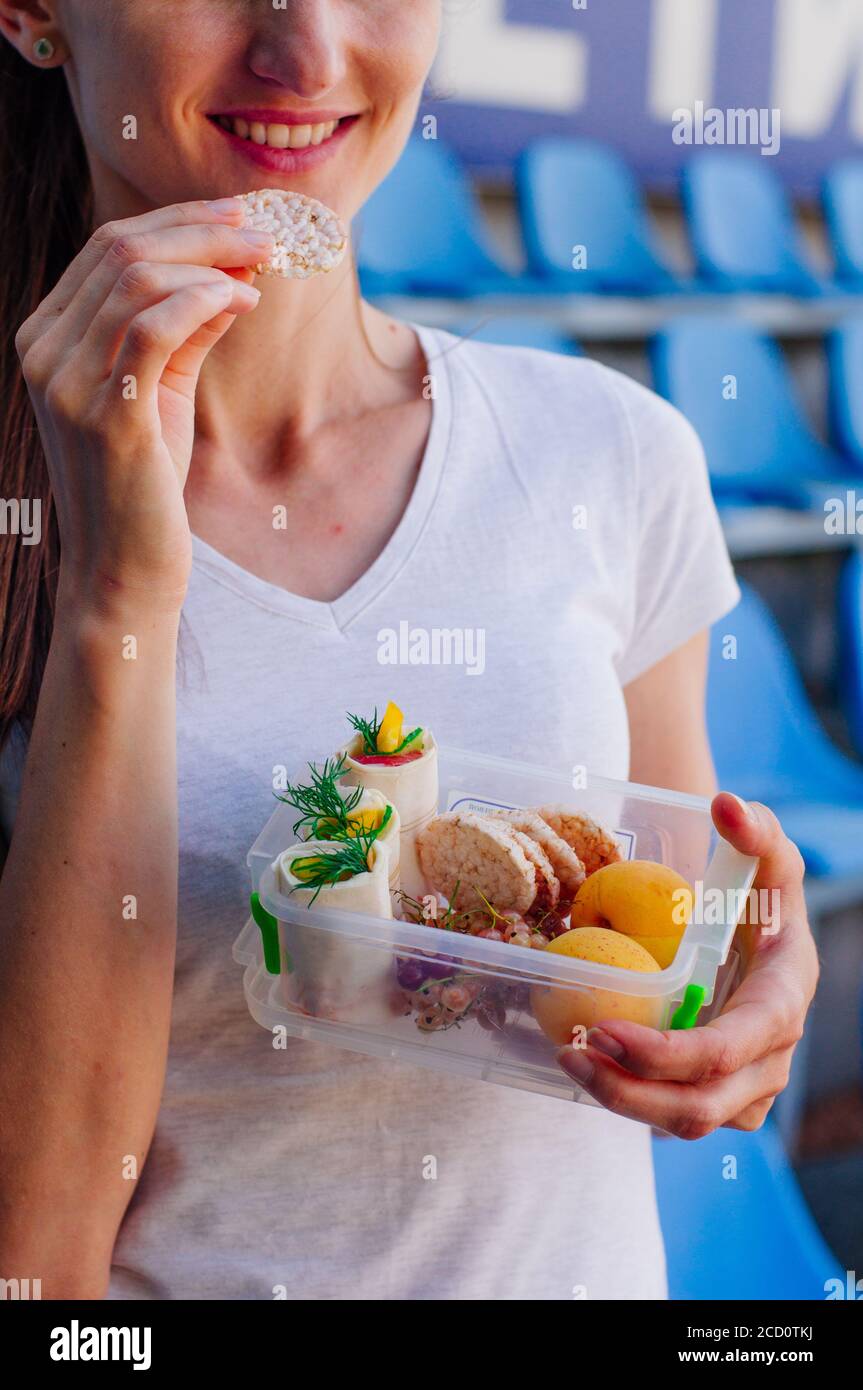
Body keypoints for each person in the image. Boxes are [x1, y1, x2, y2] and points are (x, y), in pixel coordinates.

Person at [0, 1, 817, 1300]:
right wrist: (115, 608)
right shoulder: (25, 532)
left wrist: (749, 994)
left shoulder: (615, 453)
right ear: (35, 13)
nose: (306, 56)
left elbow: (672, 922)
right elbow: (36, 1270)